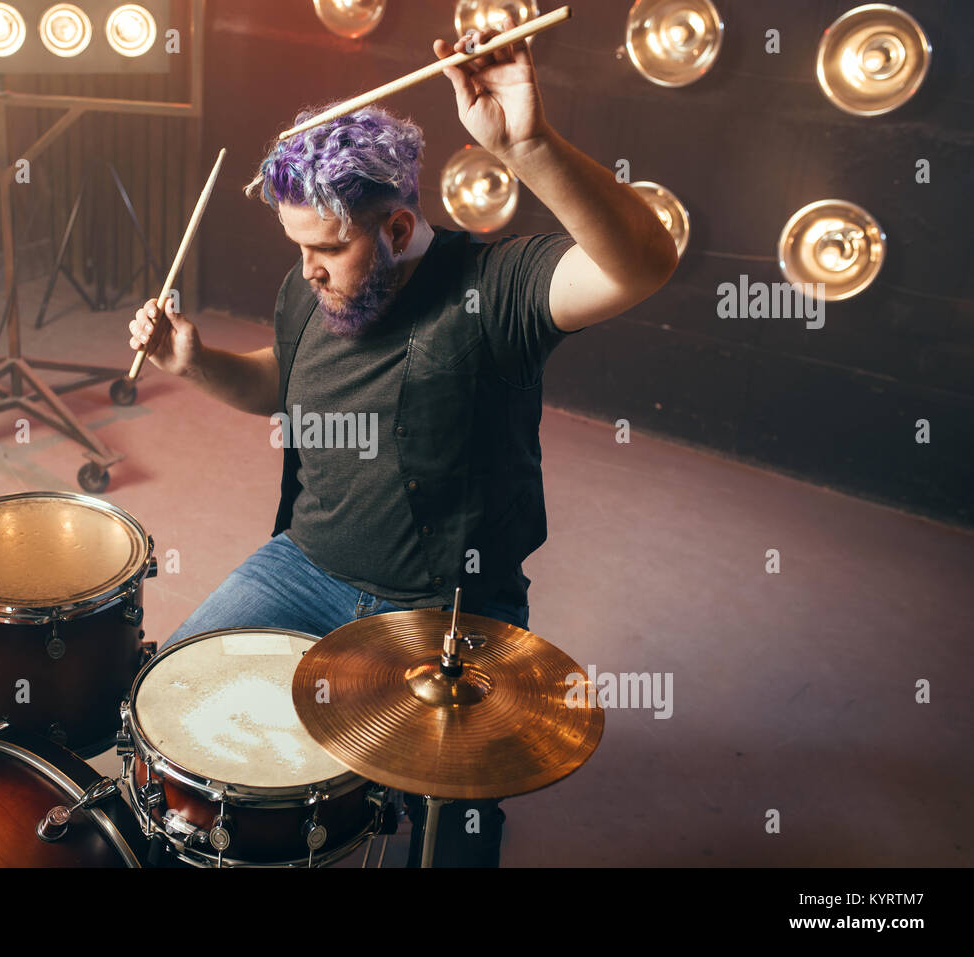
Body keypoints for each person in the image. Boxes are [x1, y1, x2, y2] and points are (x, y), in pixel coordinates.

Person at [127, 21, 678, 866]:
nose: (307, 269)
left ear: (395, 229)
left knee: (449, 840)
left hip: (447, 612)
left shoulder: (495, 289)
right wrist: (195, 362)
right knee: (168, 714)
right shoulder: (309, 286)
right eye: (296, 246)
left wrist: (529, 144)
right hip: (303, 566)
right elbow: (284, 383)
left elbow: (641, 263)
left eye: (325, 248)